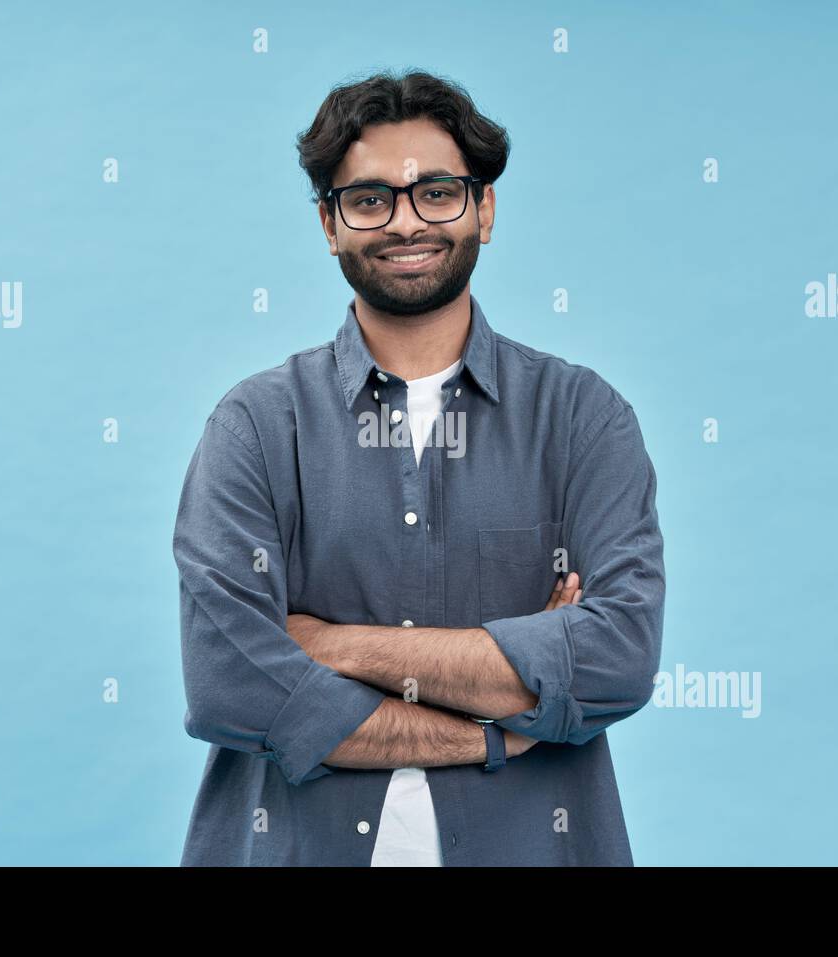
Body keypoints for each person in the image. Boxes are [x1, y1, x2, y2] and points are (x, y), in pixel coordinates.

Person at [172, 69, 665, 866]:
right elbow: (232, 683)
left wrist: (333, 646)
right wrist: (497, 731)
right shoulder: (255, 427)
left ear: (485, 210)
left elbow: (614, 661)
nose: (406, 223)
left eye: (437, 192)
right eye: (369, 199)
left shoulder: (584, 420)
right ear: (330, 226)